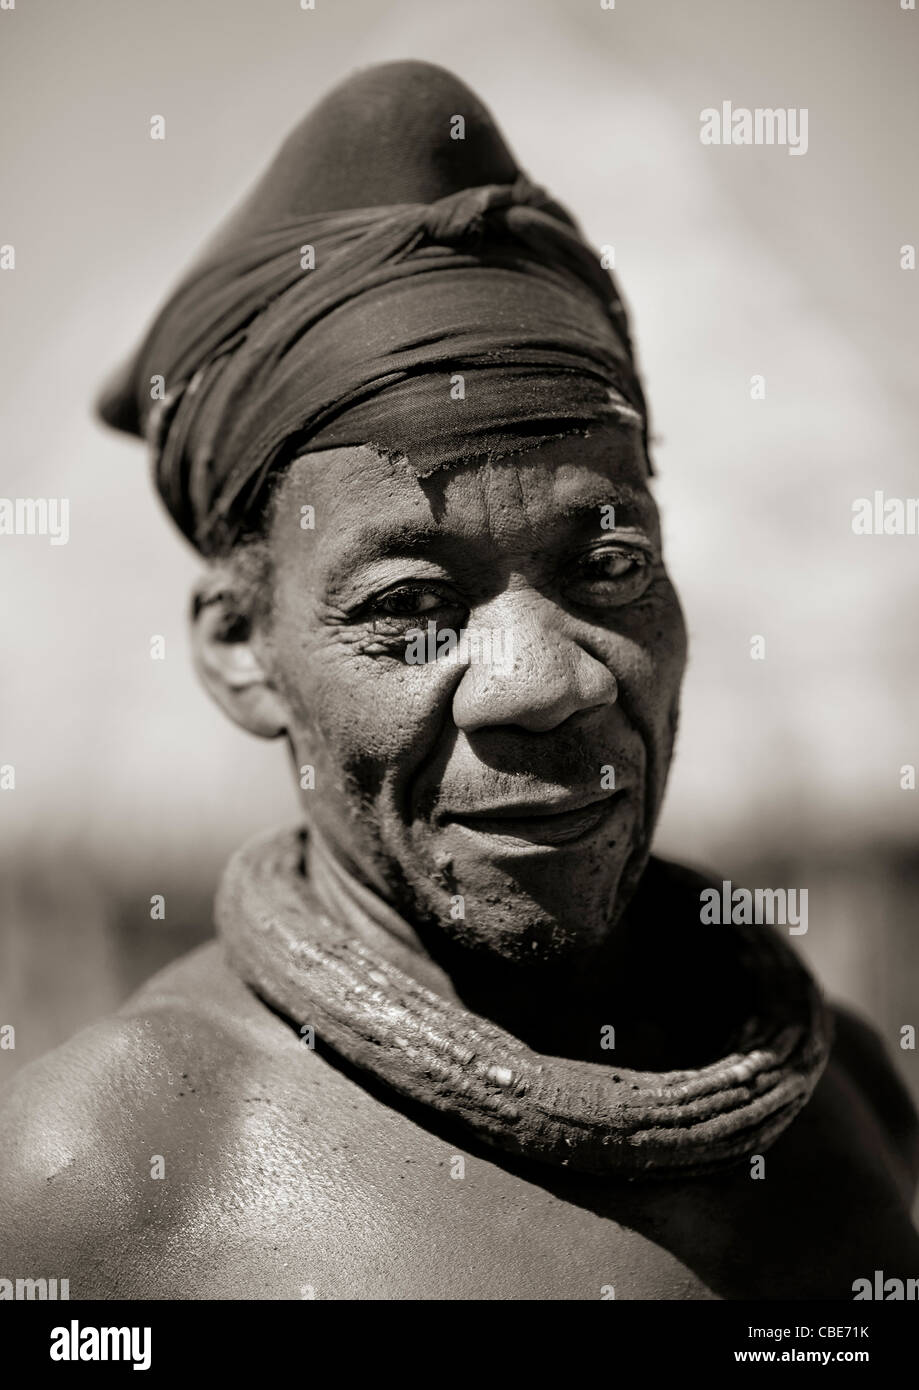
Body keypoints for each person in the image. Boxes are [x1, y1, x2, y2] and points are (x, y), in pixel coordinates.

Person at [1, 60, 917, 1300]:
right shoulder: (101, 1188)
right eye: (409, 607)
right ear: (237, 646)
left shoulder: (844, 1098)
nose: (542, 683)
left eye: (608, 564)